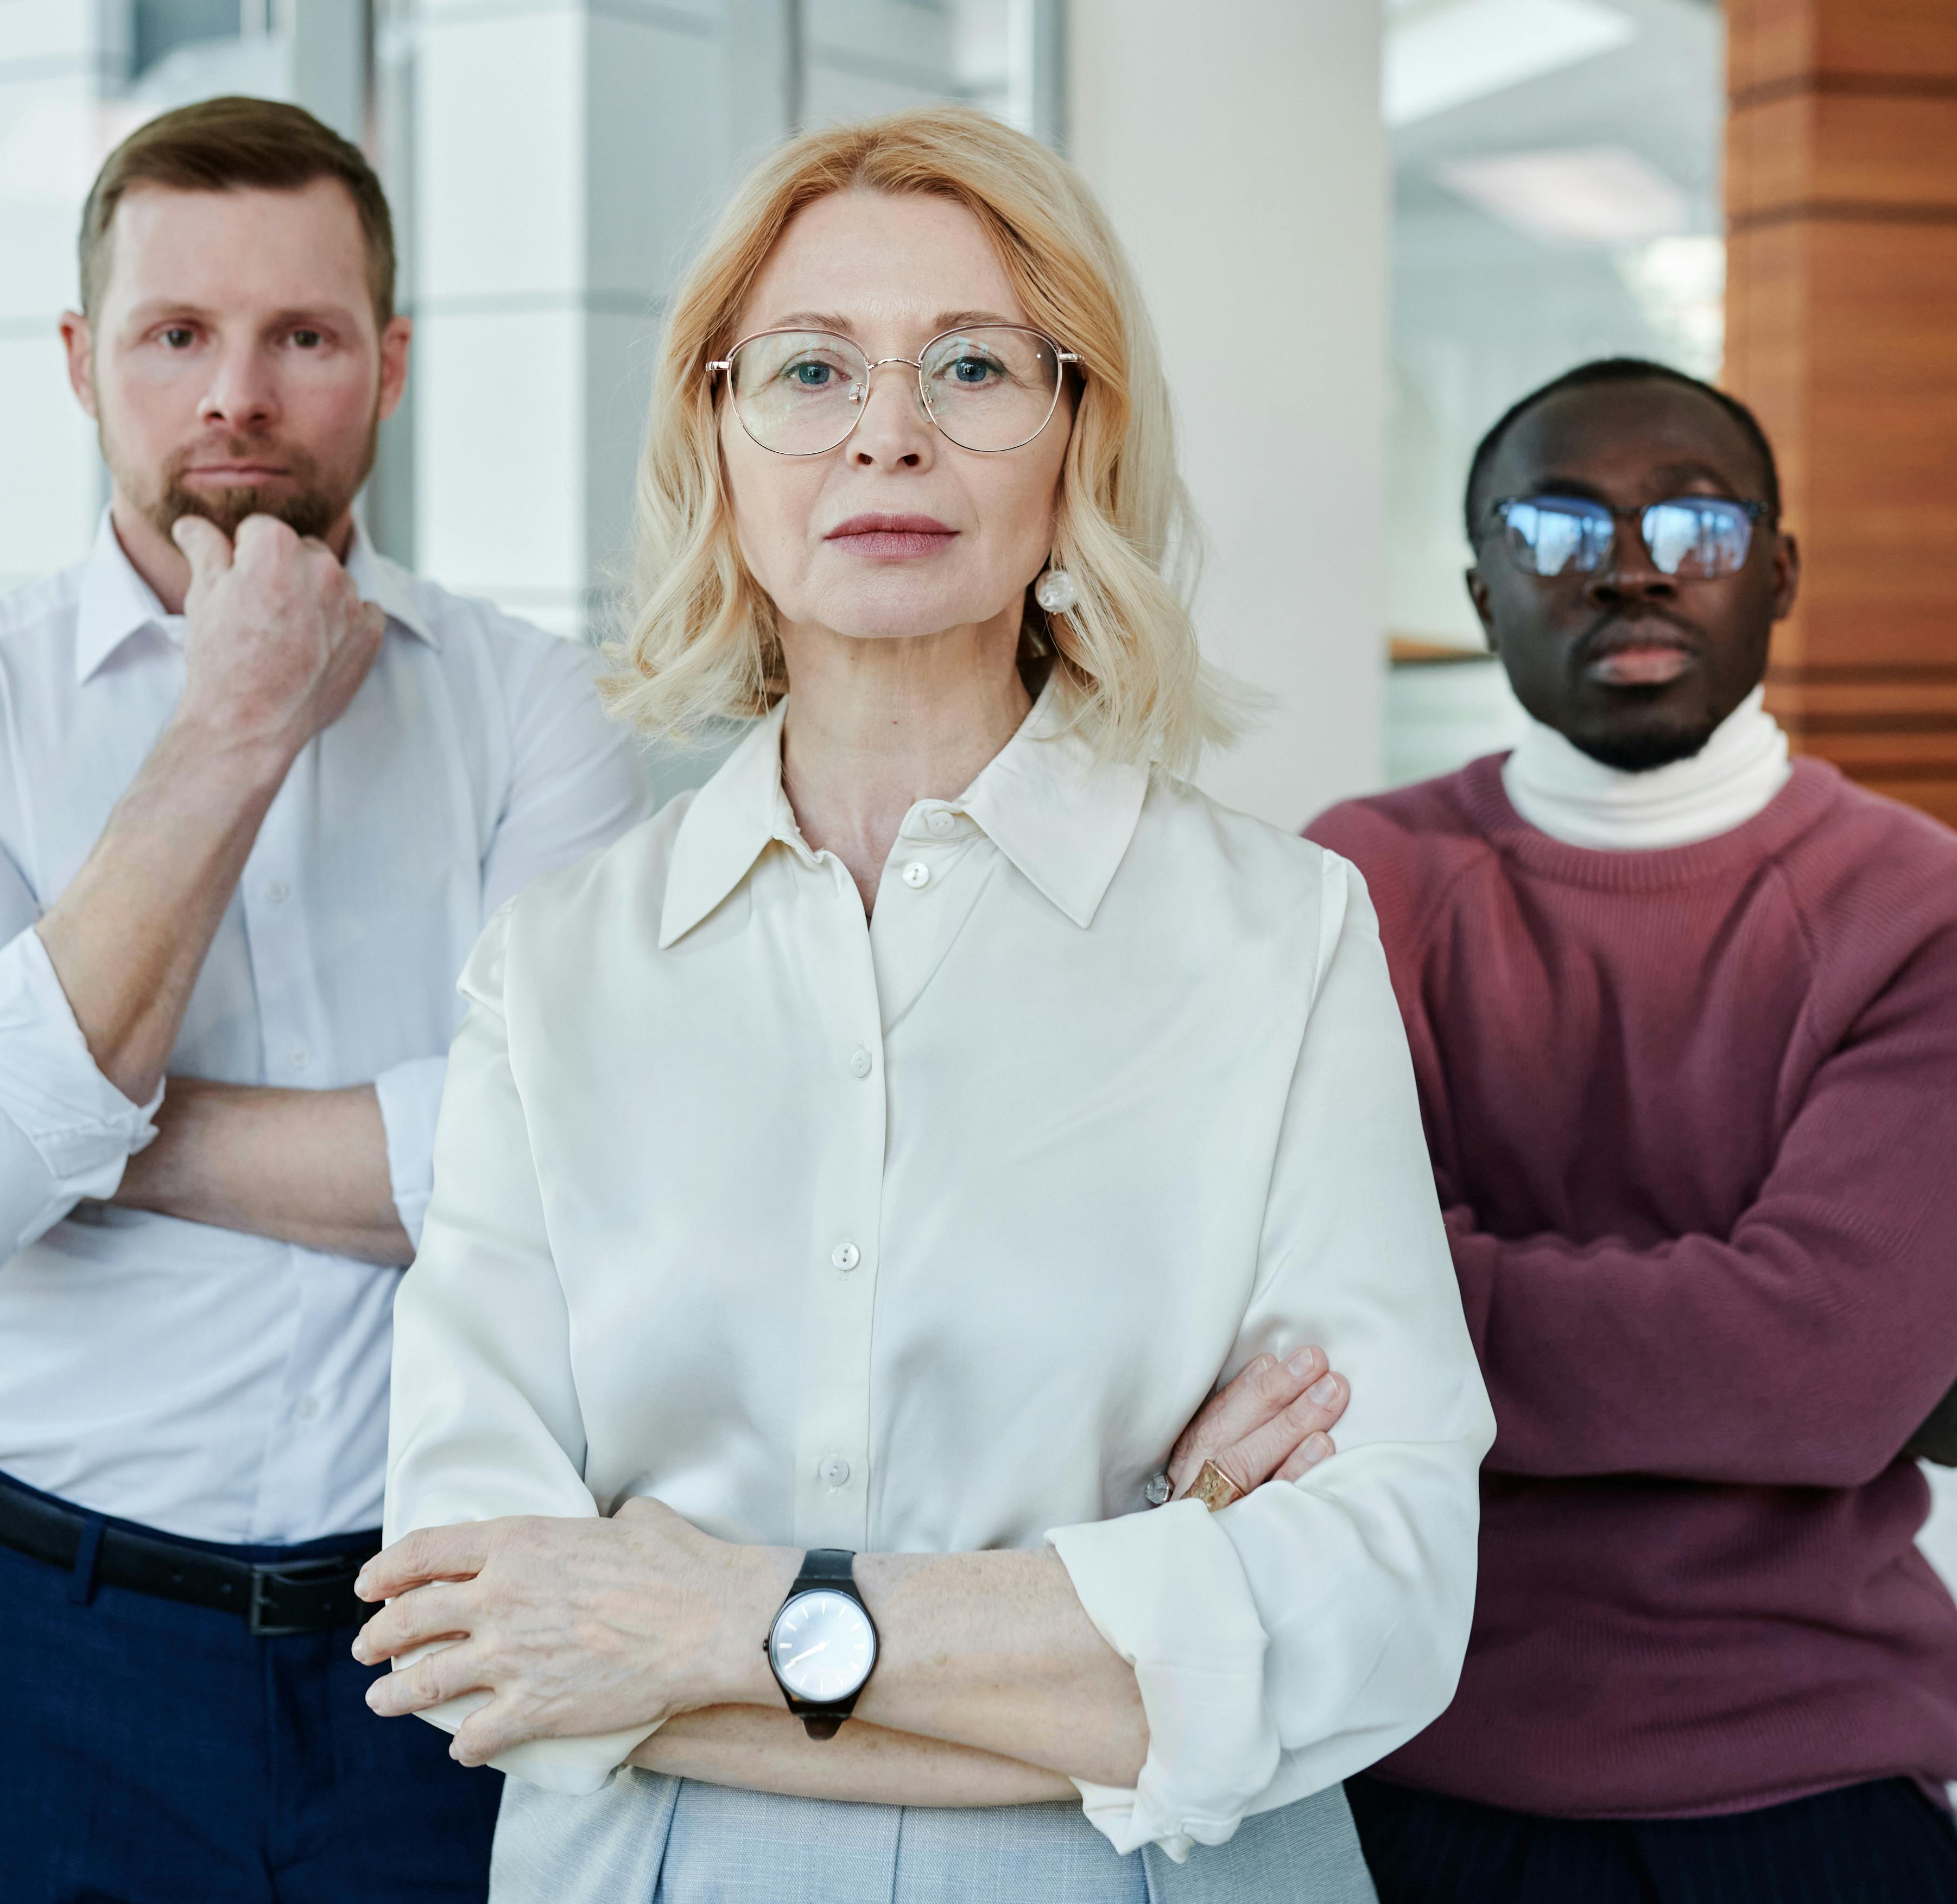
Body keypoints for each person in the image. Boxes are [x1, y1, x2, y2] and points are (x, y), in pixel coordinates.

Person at [347, 106, 1494, 1902]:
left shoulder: (1281, 936)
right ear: (715, 441)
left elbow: (1380, 1600)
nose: (887, 429)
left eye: (972, 365)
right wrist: (1129, 1626)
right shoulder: (554, 968)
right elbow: (473, 1628)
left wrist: (718, 1617)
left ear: (1075, 442)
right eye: (808, 369)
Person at [0, 98, 648, 1902]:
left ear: (390, 364)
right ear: (82, 360)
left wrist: (81, 1127)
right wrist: (232, 722)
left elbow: (566, 1183)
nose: (233, 395)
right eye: (176, 334)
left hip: (441, 1647)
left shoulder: (531, 708)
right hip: (38, 1648)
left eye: (301, 337)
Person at [1304, 358, 1957, 1903]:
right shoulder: (1350, 883)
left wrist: (1415, 1311)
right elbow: (1280, 1316)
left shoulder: (1940, 918)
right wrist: (1769, 1349)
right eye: (1560, 529)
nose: (1634, 568)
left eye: (1694, 524)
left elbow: (1827, 1374)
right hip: (1402, 1753)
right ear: (1481, 586)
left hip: (1795, 1778)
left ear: (1778, 569)